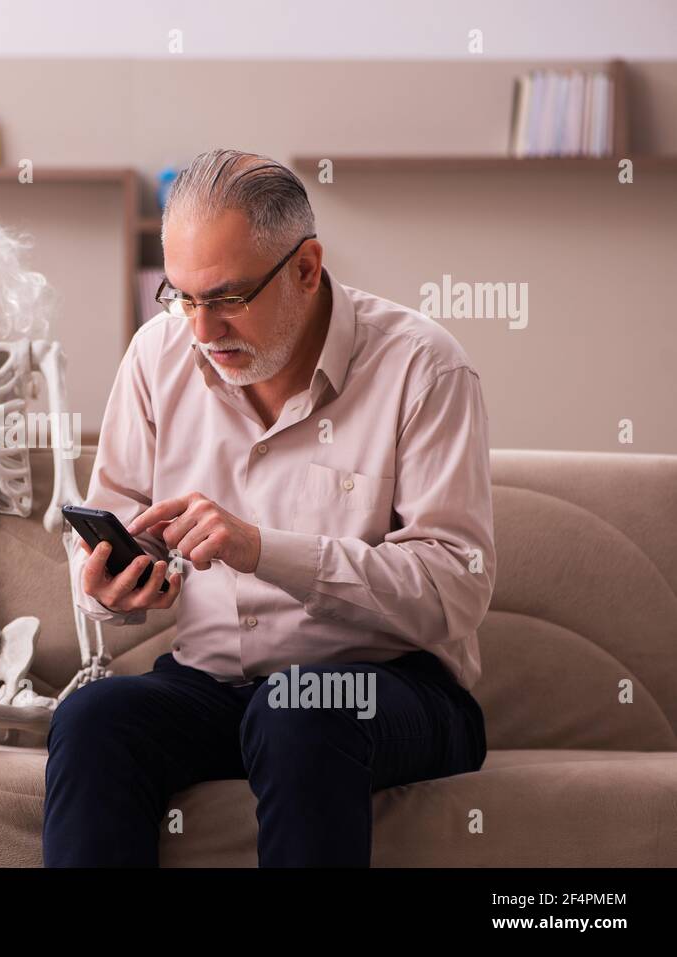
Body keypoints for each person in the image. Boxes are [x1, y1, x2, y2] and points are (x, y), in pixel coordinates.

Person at [43, 149, 494, 867]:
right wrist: (104, 585)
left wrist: (262, 549)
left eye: (226, 298)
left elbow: (454, 589)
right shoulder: (156, 357)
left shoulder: (423, 368)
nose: (201, 329)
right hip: (212, 683)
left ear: (307, 267)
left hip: (386, 685)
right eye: (182, 297)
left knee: (299, 706)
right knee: (92, 718)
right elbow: (112, 519)